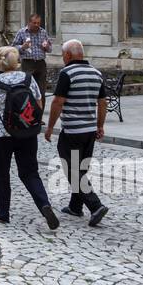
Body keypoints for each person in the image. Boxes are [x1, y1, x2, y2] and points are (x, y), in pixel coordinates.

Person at [0, 46, 59, 230]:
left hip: (2, 134)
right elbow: (38, 103)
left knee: (2, 172)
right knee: (30, 172)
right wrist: (35, 123)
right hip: (27, 132)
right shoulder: (28, 79)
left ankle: (2, 213)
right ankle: (44, 204)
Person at [44, 39, 110, 227]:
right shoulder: (96, 73)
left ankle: (95, 205)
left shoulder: (67, 73)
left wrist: (50, 127)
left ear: (67, 55)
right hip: (89, 131)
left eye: (62, 55)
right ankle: (75, 206)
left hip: (72, 131)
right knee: (80, 168)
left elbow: (58, 102)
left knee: (73, 170)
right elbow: (103, 102)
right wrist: (100, 125)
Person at [11, 12, 53, 95]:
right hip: (27, 64)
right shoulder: (22, 32)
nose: (37, 25)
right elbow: (13, 48)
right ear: (29, 22)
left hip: (41, 63)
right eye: (34, 23)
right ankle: (29, 107)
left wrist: (47, 47)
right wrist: (22, 47)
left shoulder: (43, 32)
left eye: (38, 23)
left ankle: (40, 108)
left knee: (41, 90)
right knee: (27, 88)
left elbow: (50, 49)